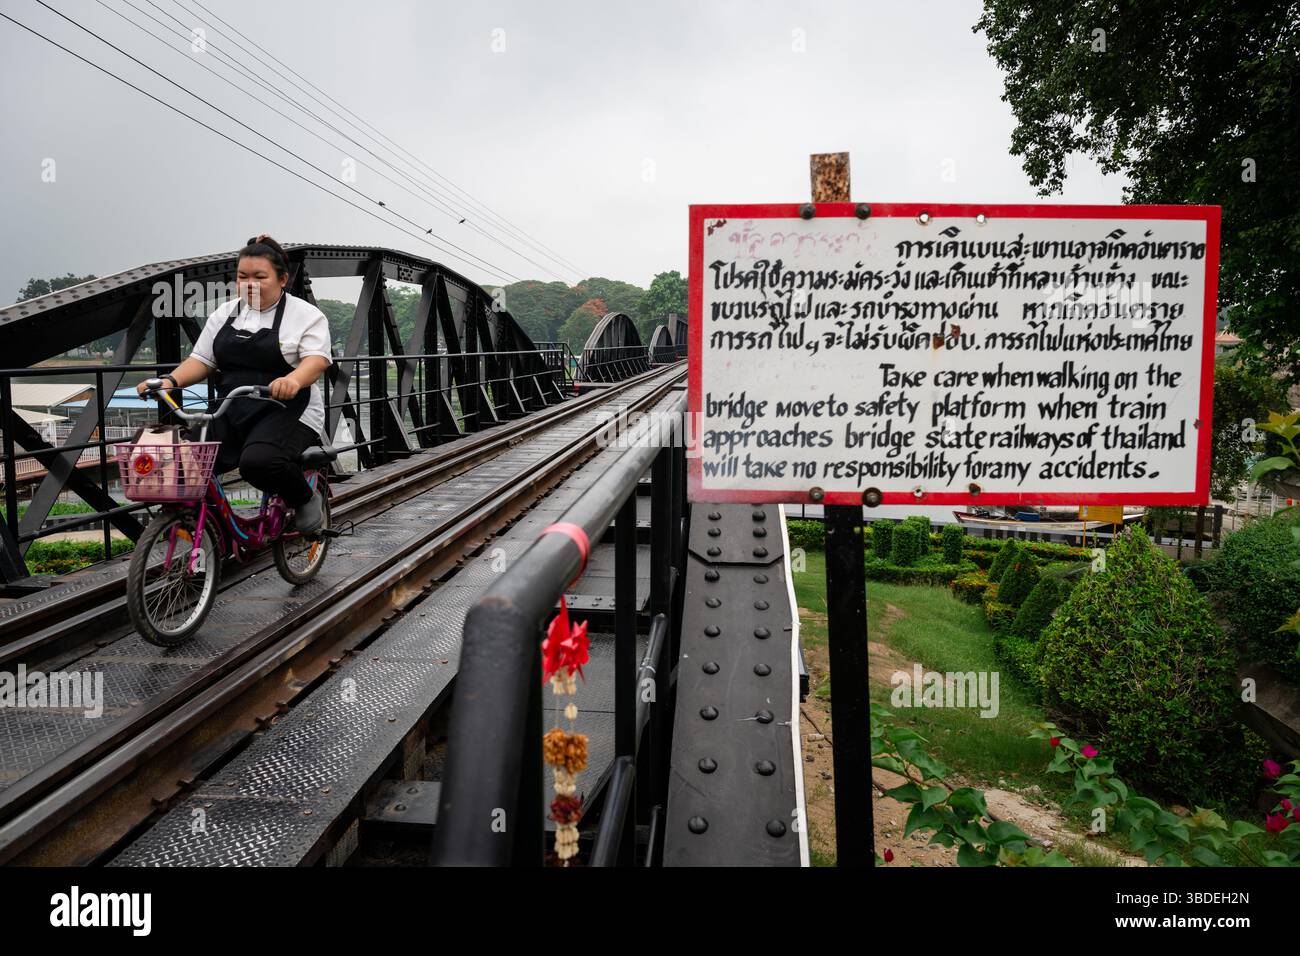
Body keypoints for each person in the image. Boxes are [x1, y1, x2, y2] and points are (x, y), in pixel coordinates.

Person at [138, 234, 332, 531]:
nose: (249, 283)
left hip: (287, 408)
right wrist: (170, 380)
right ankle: (209, 533)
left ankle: (304, 499)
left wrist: (293, 380)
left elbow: (316, 361)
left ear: (283, 279)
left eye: (259, 276)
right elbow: (202, 360)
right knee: (184, 463)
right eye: (242, 276)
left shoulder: (306, 316)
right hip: (232, 406)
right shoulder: (225, 313)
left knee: (259, 463)